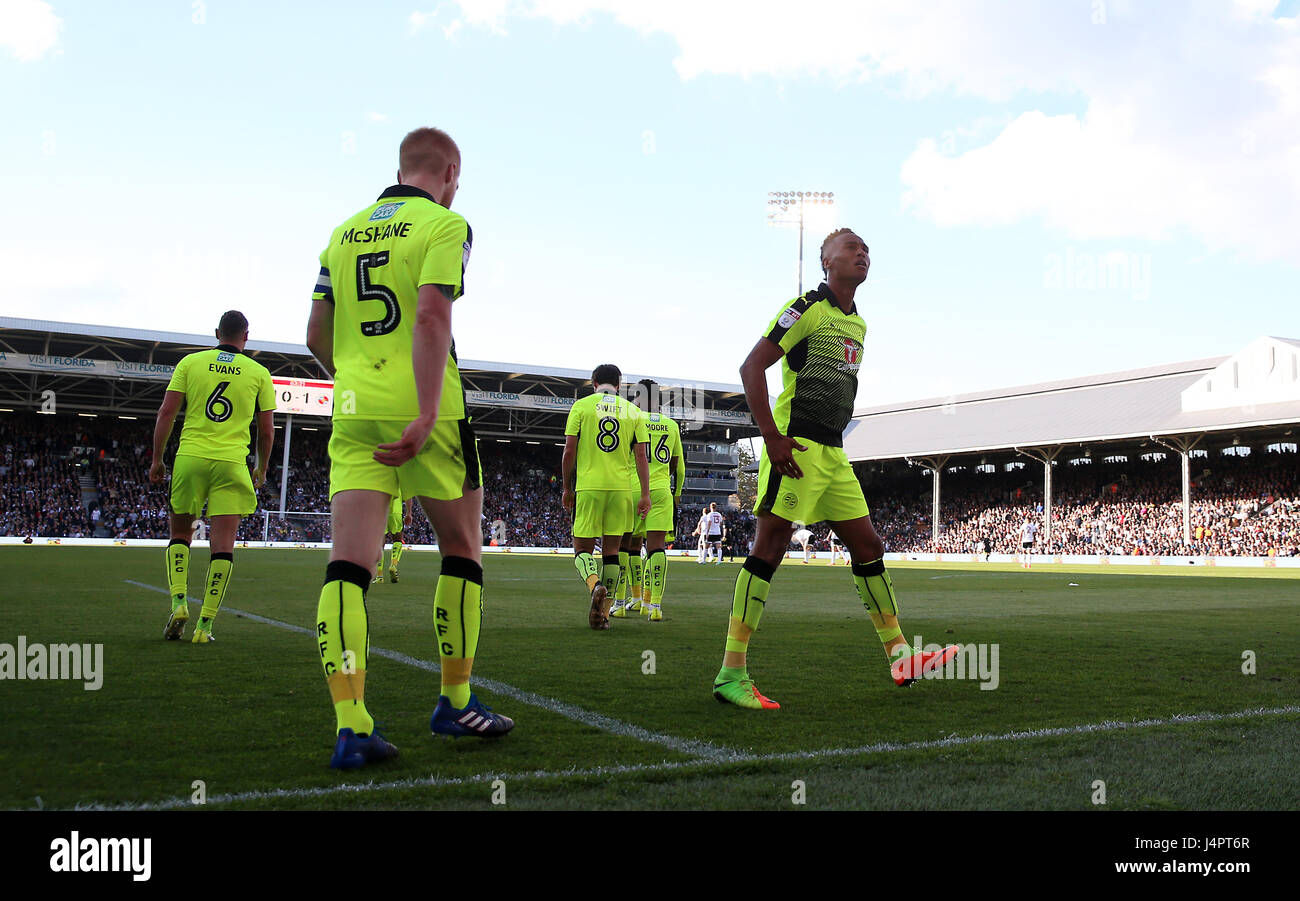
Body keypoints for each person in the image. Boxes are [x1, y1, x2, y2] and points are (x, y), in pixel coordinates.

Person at [306, 126, 513, 770]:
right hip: (431, 407)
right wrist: (424, 408)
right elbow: (430, 316)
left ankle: (352, 725)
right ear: (450, 171)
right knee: (462, 546)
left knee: (349, 566)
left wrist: (362, 378)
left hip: (355, 407)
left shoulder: (342, 233)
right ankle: (455, 703)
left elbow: (316, 332)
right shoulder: (447, 226)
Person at [712, 228, 958, 710]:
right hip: (796, 447)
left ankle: (900, 654)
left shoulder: (859, 323)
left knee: (868, 546)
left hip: (833, 453)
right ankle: (730, 672)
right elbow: (751, 368)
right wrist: (772, 438)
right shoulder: (806, 308)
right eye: (851, 248)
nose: (862, 254)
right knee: (771, 548)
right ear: (826, 261)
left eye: (866, 249)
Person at [150, 310, 275, 645]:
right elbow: (266, 430)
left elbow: (166, 412)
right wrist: (261, 467)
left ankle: (178, 602)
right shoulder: (259, 373)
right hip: (231, 463)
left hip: (191, 457)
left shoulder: (190, 363)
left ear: (217, 332)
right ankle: (204, 626)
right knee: (223, 545)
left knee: (180, 533)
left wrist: (157, 459)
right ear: (246, 336)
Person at [562, 364, 651, 630]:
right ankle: (604, 615)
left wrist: (567, 487)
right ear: (619, 385)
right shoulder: (634, 412)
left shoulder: (582, 407)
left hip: (589, 487)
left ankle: (594, 585)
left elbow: (569, 451)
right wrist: (644, 494)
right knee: (612, 553)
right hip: (621, 489)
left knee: (581, 550)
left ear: (594, 382)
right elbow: (640, 456)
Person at [612, 383, 683, 622]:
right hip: (661, 489)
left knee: (622, 545)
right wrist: (672, 487)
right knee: (656, 548)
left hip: (630, 488)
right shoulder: (671, 425)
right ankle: (653, 606)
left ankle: (620, 604)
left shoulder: (631, 418)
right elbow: (678, 465)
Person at [373, 494, 413, 584]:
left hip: (380, 511)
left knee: (380, 544)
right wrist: (409, 513)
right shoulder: (401, 479)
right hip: (396, 512)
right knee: (398, 540)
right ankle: (393, 565)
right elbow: (408, 496)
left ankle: (379, 576)